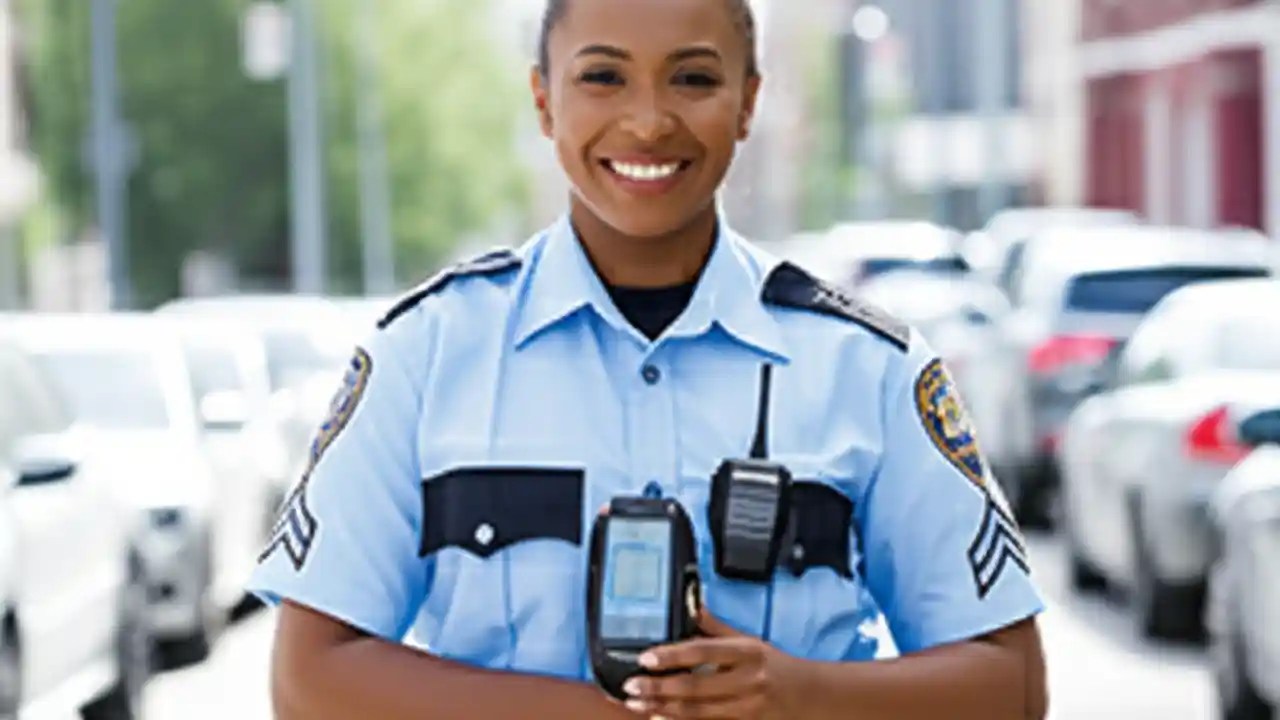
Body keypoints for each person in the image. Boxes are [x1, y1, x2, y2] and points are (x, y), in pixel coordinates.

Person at [250, 0, 1049, 717]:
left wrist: (799, 696)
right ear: (543, 99)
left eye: (694, 78)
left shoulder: (869, 368)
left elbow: (1009, 684)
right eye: (603, 76)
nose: (647, 121)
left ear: (748, 103)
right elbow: (311, 678)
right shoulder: (427, 354)